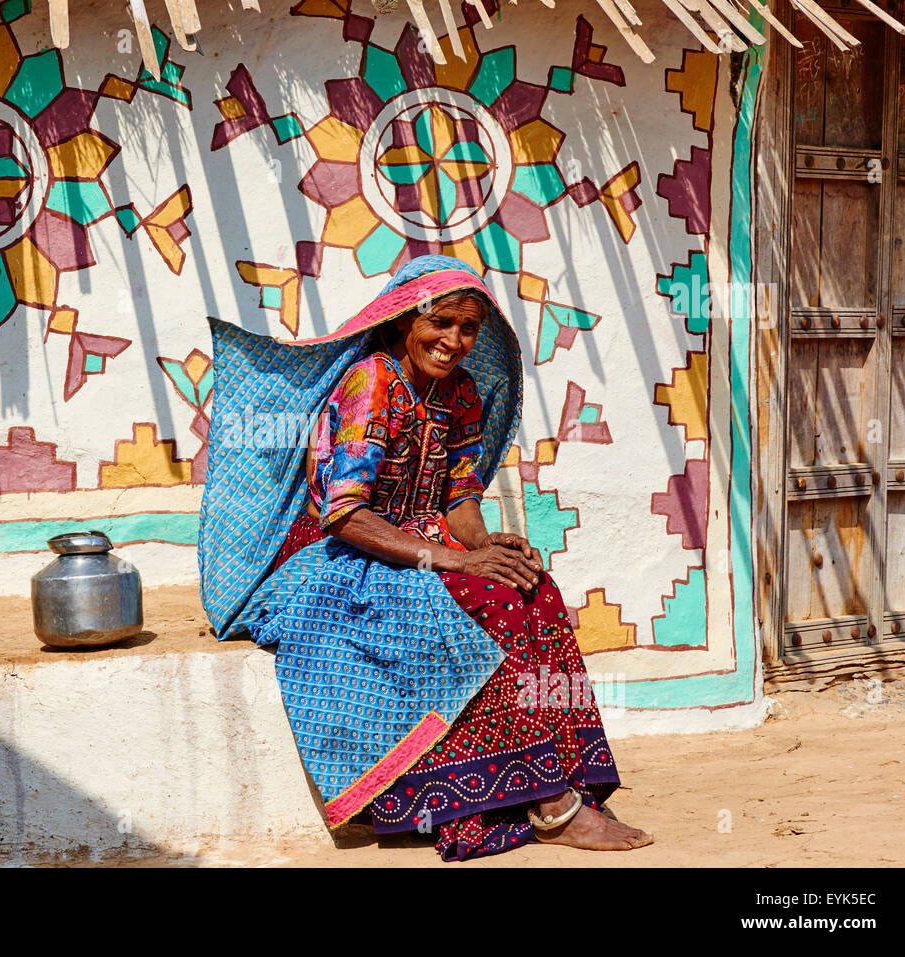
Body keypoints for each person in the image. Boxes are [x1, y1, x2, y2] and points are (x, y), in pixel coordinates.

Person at [200, 255, 651, 859]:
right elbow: (346, 514)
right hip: (345, 553)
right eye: (441, 323)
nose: (454, 341)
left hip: (420, 541)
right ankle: (549, 805)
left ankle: (559, 780)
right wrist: (458, 562)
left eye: (467, 328)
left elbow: (459, 495)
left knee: (534, 589)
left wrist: (484, 545)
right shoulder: (372, 384)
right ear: (404, 321)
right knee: (488, 605)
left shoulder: (460, 392)